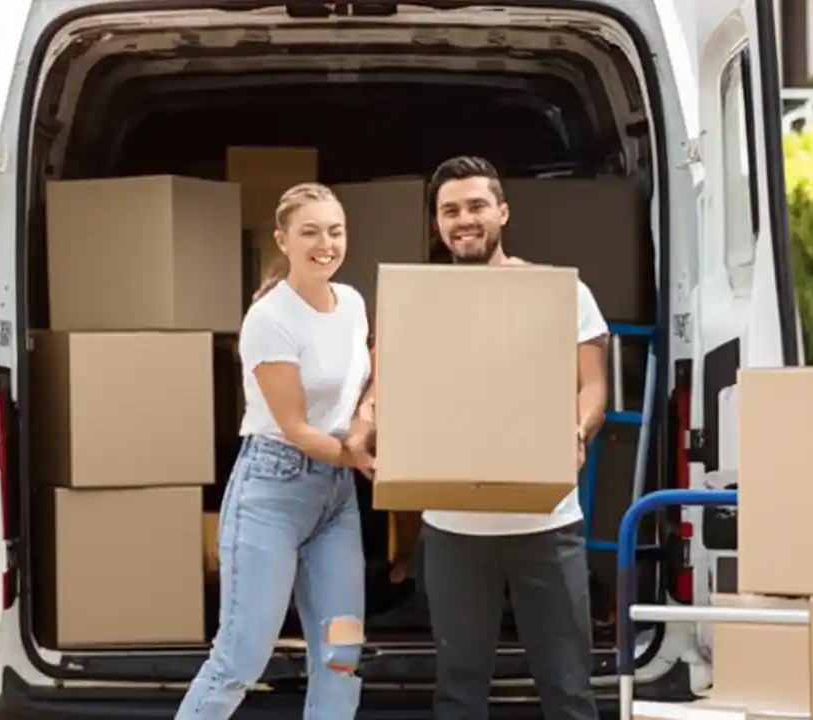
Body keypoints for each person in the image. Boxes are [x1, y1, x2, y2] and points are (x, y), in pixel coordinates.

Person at [347, 155, 609, 719]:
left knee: (568, 690)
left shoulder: (559, 291)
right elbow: (383, 382)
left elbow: (593, 387)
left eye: (476, 206)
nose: (463, 219)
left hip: (547, 525)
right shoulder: (415, 299)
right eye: (449, 210)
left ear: (502, 212)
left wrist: (577, 428)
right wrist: (365, 422)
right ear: (437, 224)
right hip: (452, 528)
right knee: (459, 693)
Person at [177, 182, 376, 720]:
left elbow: (365, 386)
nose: (325, 243)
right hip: (273, 491)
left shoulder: (353, 303)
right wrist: (359, 455)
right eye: (309, 232)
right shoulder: (270, 318)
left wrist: (362, 425)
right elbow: (294, 427)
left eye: (335, 231)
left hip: (335, 499)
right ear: (282, 239)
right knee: (240, 659)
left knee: (340, 657)